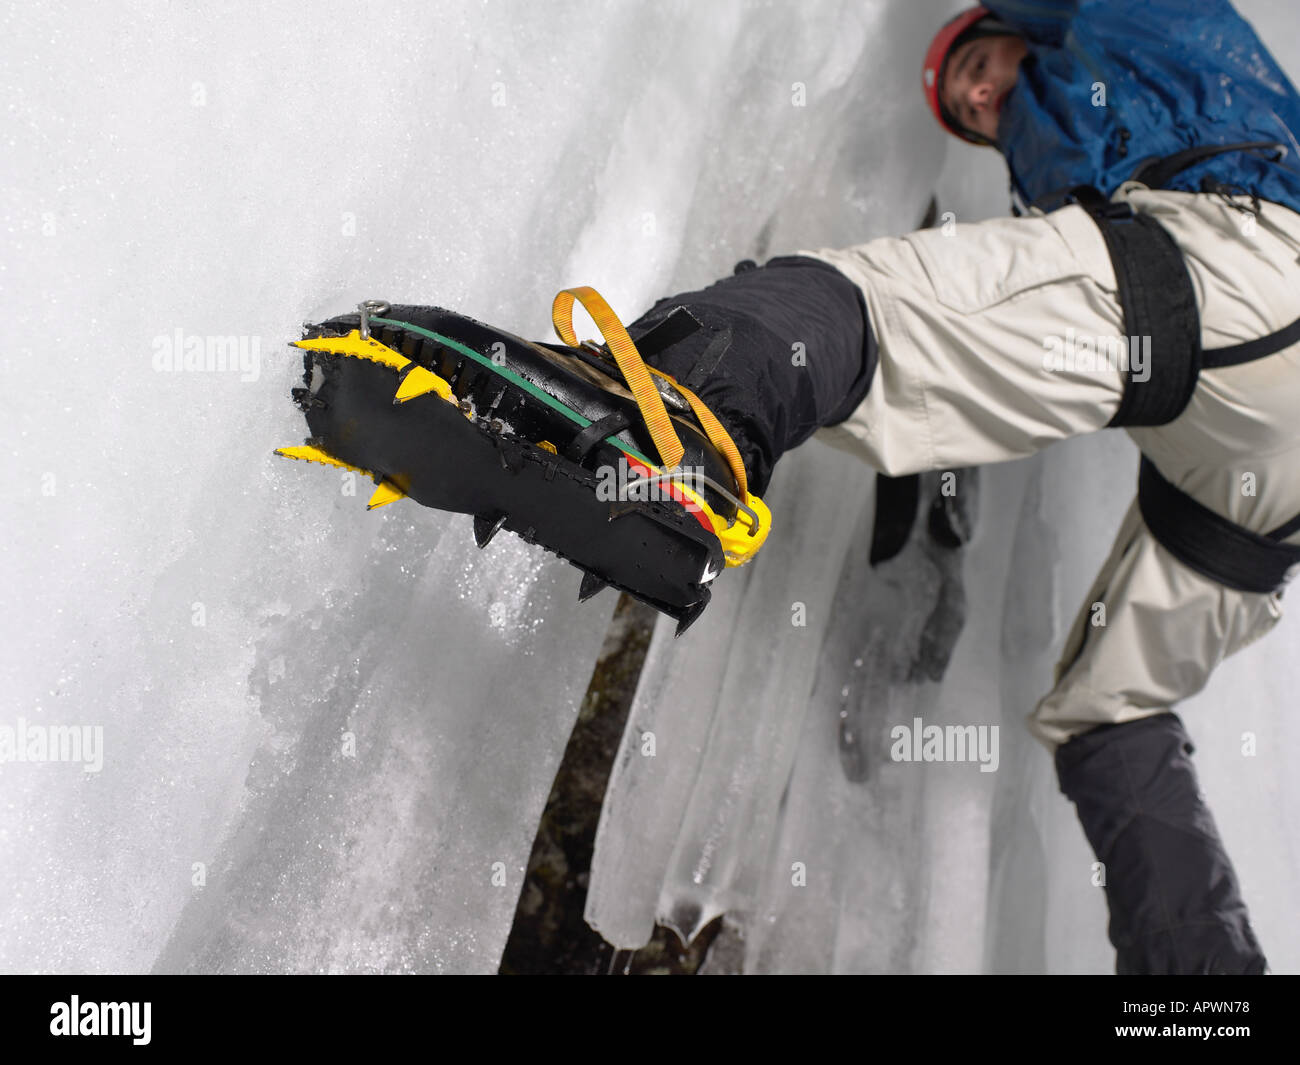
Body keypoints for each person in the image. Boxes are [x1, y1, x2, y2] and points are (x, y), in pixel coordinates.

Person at [284, 0, 1300, 973]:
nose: (982, 99)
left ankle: (680, 422)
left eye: (980, 67)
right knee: (1108, 714)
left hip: (1240, 273)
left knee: (873, 306)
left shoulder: (1120, 21)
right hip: (1255, 473)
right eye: (963, 108)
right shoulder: (1087, 162)